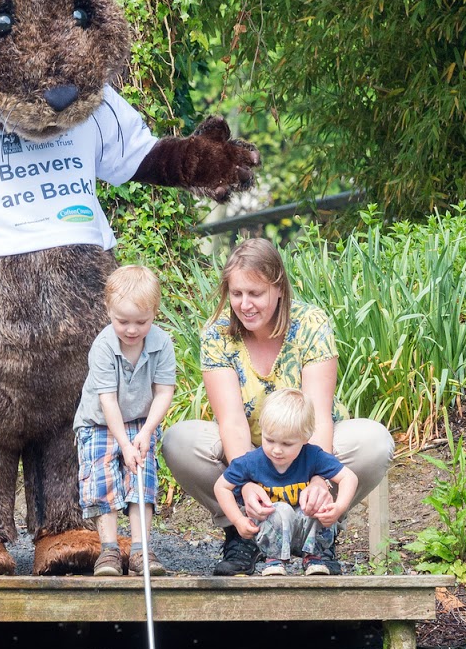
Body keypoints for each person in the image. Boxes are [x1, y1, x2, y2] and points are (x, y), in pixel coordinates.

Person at [161, 238, 394, 575]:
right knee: (180, 441)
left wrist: (318, 480)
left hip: (307, 448)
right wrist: (246, 484)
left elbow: (319, 416)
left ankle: (317, 529)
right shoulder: (217, 334)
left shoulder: (311, 323)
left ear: (279, 288)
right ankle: (243, 532)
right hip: (251, 450)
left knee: (374, 441)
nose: (245, 304)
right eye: (237, 294)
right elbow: (231, 422)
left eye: (255, 294)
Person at [73, 264, 176, 577]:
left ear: (154, 313)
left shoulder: (162, 344)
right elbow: (108, 401)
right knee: (103, 479)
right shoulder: (104, 346)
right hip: (100, 422)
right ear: (109, 311)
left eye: (141, 322)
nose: (132, 329)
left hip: (140, 420)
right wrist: (123, 443)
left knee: (140, 479)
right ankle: (109, 550)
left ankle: (141, 549)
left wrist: (146, 432)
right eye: (123, 321)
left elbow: (163, 392)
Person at [214, 388, 358, 575]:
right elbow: (221, 486)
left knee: (316, 506)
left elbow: (349, 477)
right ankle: (274, 560)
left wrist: (338, 508)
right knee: (279, 509)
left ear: (305, 438)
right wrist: (238, 520)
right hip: (273, 528)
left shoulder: (312, 456)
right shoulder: (252, 461)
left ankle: (314, 557)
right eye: (270, 440)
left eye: (287, 444)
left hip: (304, 526)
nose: (276, 450)